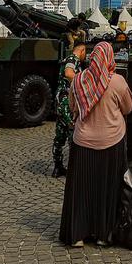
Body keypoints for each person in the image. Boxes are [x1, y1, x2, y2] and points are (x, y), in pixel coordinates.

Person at [60, 41, 132, 247]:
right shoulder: (117, 82)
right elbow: (128, 108)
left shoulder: (78, 81)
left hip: (83, 141)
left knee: (81, 189)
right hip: (111, 141)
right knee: (107, 189)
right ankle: (104, 234)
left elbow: (74, 108)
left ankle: (77, 235)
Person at [51, 39, 88, 177]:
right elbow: (68, 73)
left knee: (60, 135)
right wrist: (83, 81)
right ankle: (73, 169)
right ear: (82, 49)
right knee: (73, 134)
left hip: (61, 100)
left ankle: (58, 167)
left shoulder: (68, 58)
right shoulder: (73, 59)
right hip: (66, 101)